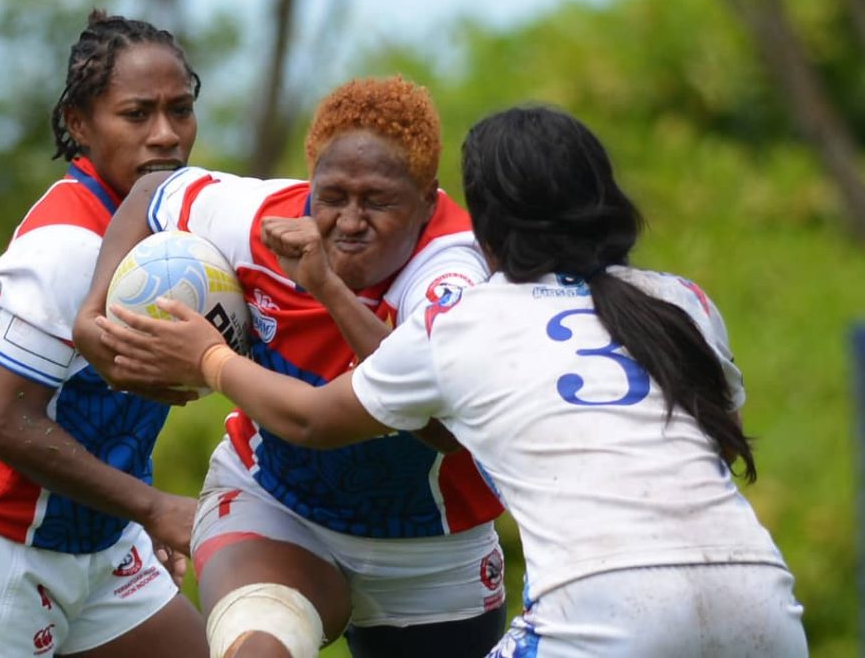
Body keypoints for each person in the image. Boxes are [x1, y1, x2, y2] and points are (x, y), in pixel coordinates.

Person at [96, 105, 810, 657]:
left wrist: (208, 359)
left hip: (605, 610)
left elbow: (315, 419)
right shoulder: (682, 301)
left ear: (479, 226)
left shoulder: (469, 318)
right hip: (763, 600)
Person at [73, 76, 507, 658]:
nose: (349, 223)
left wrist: (324, 287)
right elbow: (154, 189)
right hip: (275, 503)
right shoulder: (256, 217)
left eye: (377, 202)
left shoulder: (452, 272)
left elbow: (440, 427)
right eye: (331, 197)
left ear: (427, 202)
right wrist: (91, 312)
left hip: (428, 547)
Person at [0, 10, 209, 657]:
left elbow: (106, 407)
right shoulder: (66, 244)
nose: (166, 135)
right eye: (137, 114)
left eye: (180, 109)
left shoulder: (171, 228)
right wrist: (151, 506)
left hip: (100, 545)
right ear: (78, 123)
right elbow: (4, 424)